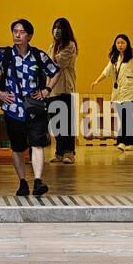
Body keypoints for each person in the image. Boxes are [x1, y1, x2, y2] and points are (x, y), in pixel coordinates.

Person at [0, 18, 60, 197]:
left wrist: (47, 90)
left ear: (29, 36)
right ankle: (23, 181)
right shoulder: (5, 56)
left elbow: (56, 71)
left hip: (34, 108)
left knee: (38, 144)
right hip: (12, 109)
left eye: (21, 31)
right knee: (17, 148)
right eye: (15, 31)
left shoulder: (38, 56)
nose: (17, 34)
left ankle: (38, 181)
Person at [91, 34, 133, 150]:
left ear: (127, 44)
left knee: (126, 116)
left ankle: (124, 142)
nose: (120, 45)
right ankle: (131, 143)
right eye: (118, 43)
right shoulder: (114, 58)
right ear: (115, 44)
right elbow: (106, 72)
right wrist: (97, 81)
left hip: (131, 93)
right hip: (118, 93)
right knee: (124, 118)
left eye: (122, 43)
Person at [48, 18, 79, 163]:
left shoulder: (70, 46)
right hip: (52, 90)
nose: (56, 30)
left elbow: (57, 62)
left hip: (65, 89)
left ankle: (69, 153)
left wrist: (48, 60)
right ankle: (59, 152)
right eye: (55, 27)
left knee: (66, 122)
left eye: (59, 28)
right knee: (56, 123)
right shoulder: (52, 46)